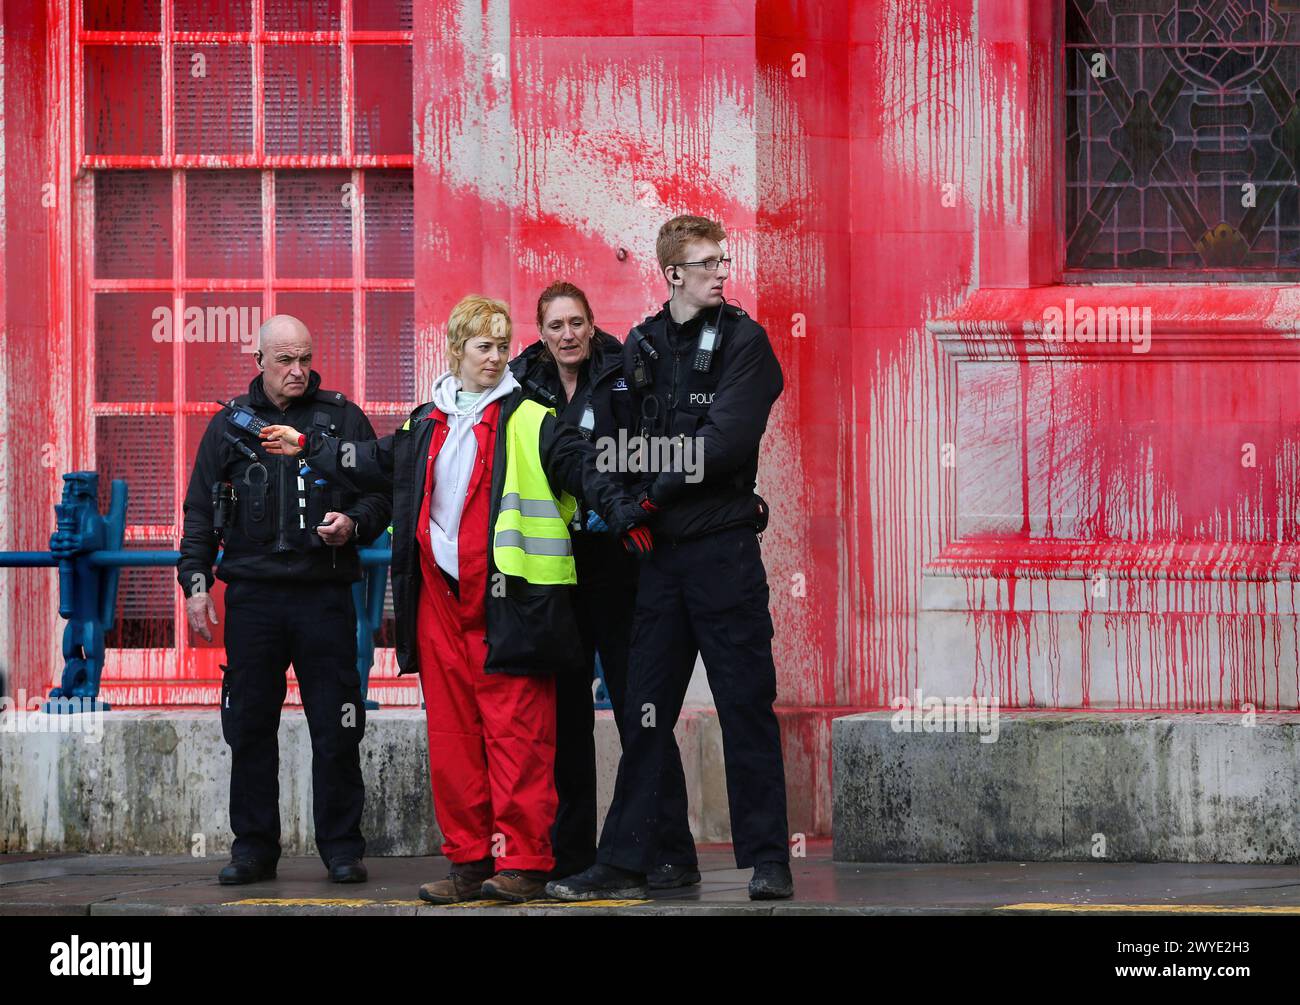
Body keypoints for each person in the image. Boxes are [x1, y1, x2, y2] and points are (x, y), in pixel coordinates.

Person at [259, 295, 651, 904]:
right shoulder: (426, 423)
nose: (495, 357)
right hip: (440, 602)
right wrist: (307, 445)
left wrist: (625, 509)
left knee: (517, 734)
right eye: (482, 346)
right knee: (454, 739)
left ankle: (523, 861)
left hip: (509, 602)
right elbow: (367, 462)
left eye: (501, 346)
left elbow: (581, 469)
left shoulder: (532, 416)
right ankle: (469, 861)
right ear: (456, 351)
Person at [547, 214, 794, 902]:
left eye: (724, 258)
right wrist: (619, 503)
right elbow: (594, 441)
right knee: (645, 709)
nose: (722, 270)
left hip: (722, 552)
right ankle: (627, 858)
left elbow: (724, 441)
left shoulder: (747, 342)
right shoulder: (641, 346)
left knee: (745, 704)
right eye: (707, 261)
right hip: (658, 563)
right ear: (674, 273)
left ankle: (769, 859)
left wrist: (645, 493)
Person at [177, 314, 391, 886]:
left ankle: (343, 849)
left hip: (323, 595)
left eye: (305, 359)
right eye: (285, 361)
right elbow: (199, 512)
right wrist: (196, 585)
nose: (298, 371)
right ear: (260, 362)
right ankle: (253, 850)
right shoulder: (227, 428)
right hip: (252, 597)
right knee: (247, 726)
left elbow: (381, 494)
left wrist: (354, 524)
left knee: (338, 726)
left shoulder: (341, 417)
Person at [509, 281, 699, 888]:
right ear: (540, 332)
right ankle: (572, 855)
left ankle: (670, 851)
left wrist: (629, 507)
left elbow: (653, 447)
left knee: (638, 707)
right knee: (564, 719)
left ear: (592, 326)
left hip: (619, 560)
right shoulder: (519, 385)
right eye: (556, 325)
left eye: (577, 323)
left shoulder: (625, 370)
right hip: (553, 570)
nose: (567, 335)